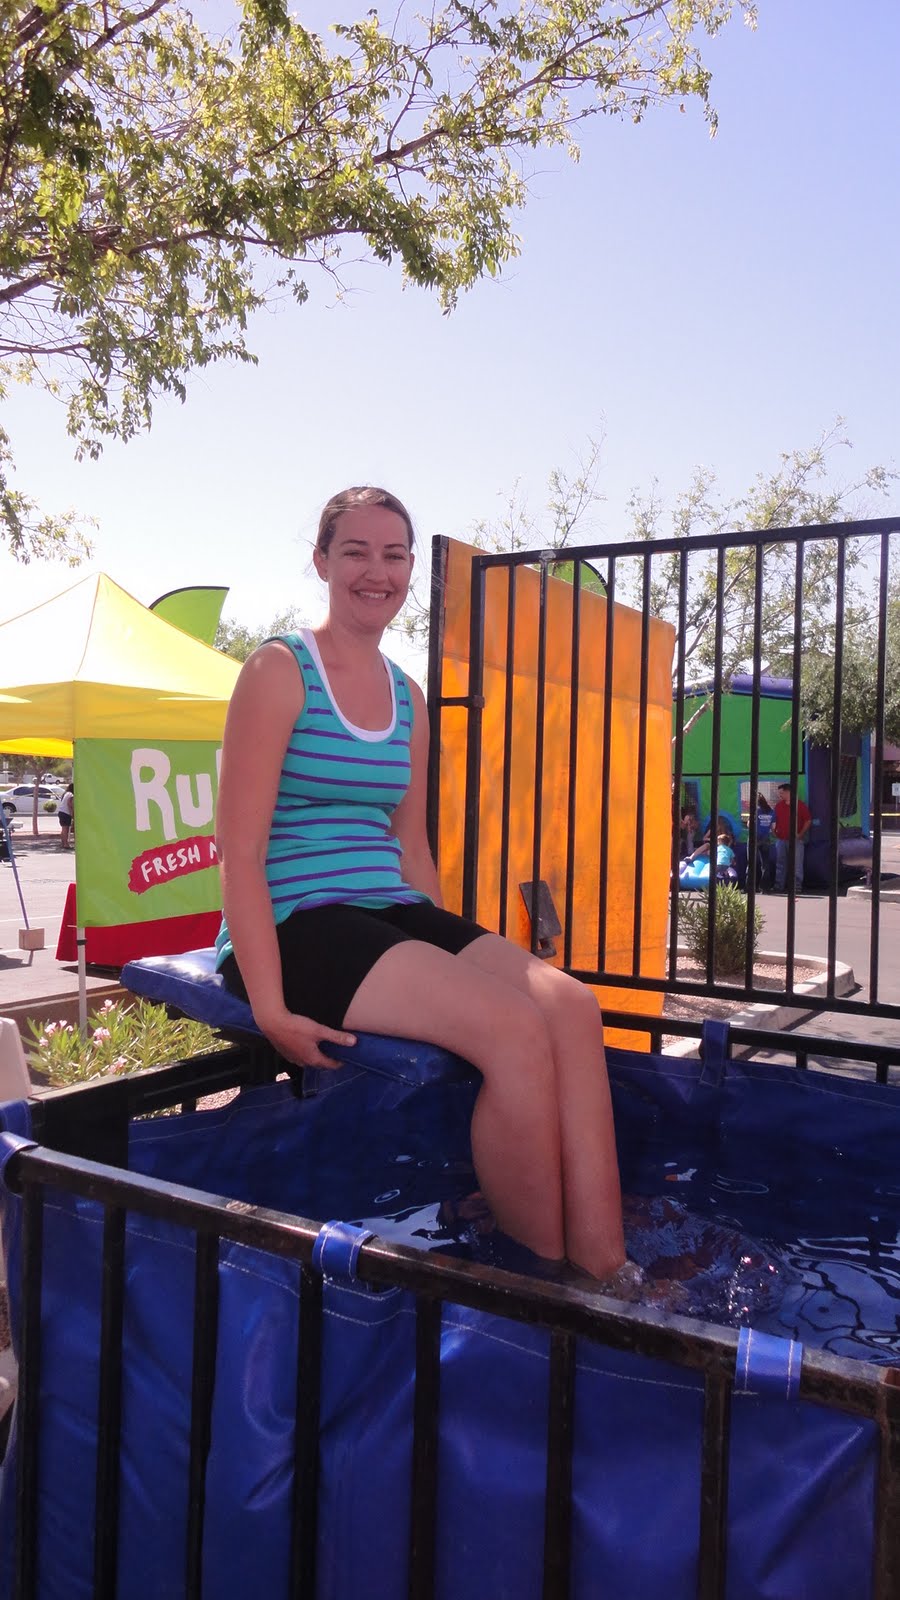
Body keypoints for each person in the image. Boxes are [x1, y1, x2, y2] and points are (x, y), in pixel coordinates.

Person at [214, 486, 628, 1289]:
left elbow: (409, 844)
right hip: (296, 918)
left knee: (570, 1006)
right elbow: (238, 851)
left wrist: (447, 951)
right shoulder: (278, 669)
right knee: (511, 1029)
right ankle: (540, 1291)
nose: (378, 570)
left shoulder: (408, 696)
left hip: (388, 913)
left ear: (409, 568)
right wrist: (269, 1007)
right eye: (357, 551)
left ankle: (609, 1271)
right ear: (323, 561)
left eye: (394, 554)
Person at [772, 781, 811, 892]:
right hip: (781, 839)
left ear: (788, 792)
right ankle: (779, 885)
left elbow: (808, 821)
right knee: (780, 863)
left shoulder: (800, 805)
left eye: (781, 793)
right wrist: (774, 831)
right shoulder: (779, 806)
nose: (780, 795)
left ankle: (797, 887)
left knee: (797, 864)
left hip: (796, 840)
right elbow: (774, 820)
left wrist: (800, 834)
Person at [58, 784, 74, 850]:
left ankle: (63, 843)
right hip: (65, 813)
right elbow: (69, 803)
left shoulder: (66, 793)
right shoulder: (71, 794)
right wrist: (72, 813)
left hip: (61, 812)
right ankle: (66, 844)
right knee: (66, 829)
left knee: (63, 829)